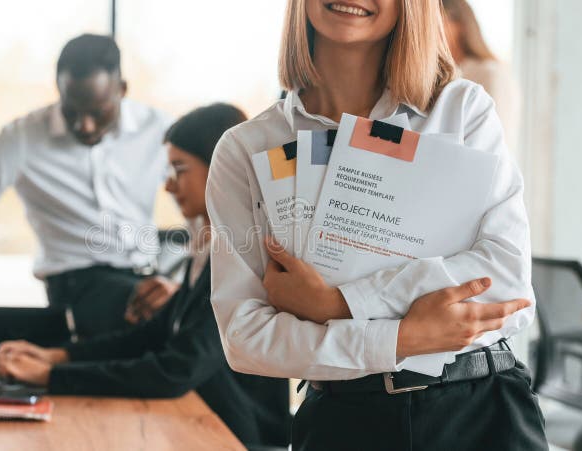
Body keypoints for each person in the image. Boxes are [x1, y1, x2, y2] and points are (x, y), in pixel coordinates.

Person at [205, 1, 547, 450]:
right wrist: (402, 337)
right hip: (341, 424)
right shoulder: (245, 149)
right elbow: (245, 338)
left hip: (480, 414)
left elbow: (505, 284)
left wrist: (338, 306)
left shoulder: (462, 110)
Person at [0, 103, 291, 448]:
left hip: (238, 438)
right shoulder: (208, 249)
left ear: (222, 169)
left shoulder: (243, 260)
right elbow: (151, 336)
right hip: (201, 422)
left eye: (179, 170)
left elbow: (176, 370)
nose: (169, 186)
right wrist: (57, 356)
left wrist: (51, 376)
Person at [0, 34, 178, 337]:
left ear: (121, 90)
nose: (84, 125)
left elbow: (206, 205)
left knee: (198, 313)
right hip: (76, 286)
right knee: (170, 321)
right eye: (72, 111)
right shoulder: (23, 138)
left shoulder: (159, 130)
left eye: (97, 113)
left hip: (150, 275)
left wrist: (178, 281)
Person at [443, 0, 521, 161]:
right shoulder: (443, 76)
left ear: (459, 25)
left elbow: (496, 143)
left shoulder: (491, 74)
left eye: (434, 22)